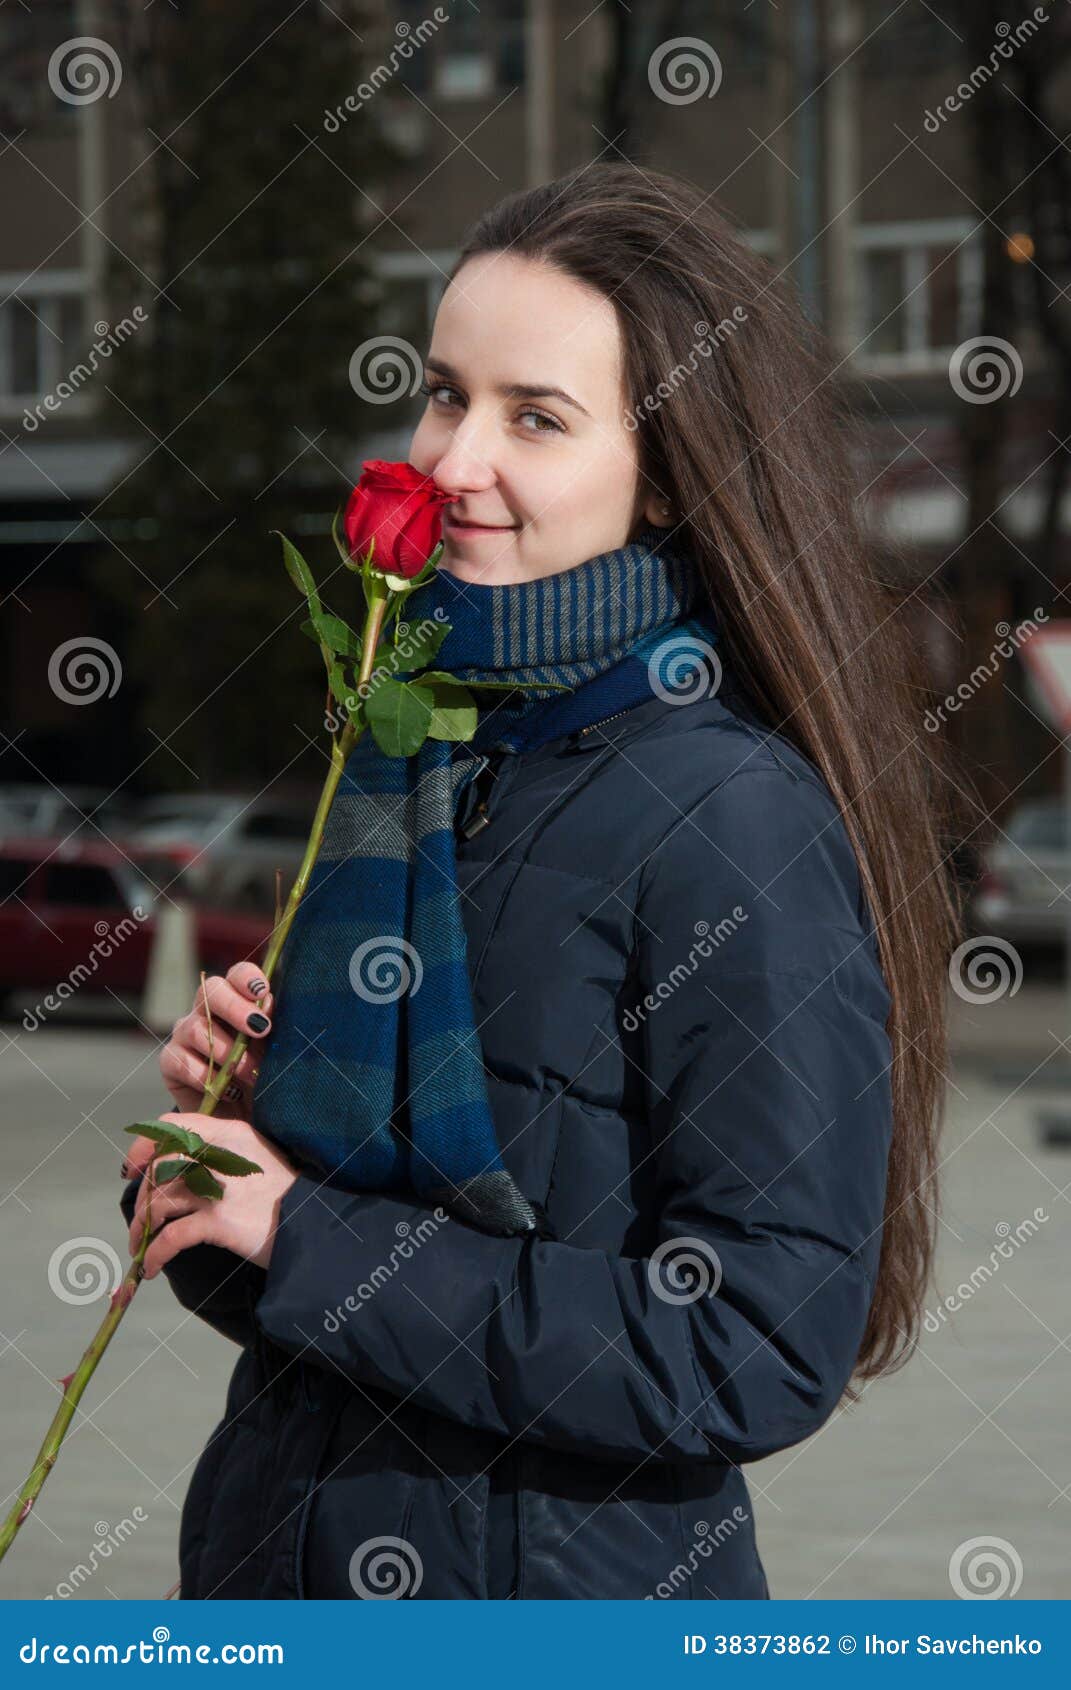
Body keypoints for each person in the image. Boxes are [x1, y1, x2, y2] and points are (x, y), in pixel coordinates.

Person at [120, 162, 960, 1600]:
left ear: (672, 477)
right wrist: (237, 1151)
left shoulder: (732, 814)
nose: (453, 462)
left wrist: (310, 1230)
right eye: (446, 392)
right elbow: (335, 1290)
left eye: (537, 417)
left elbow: (754, 1343)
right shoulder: (412, 754)